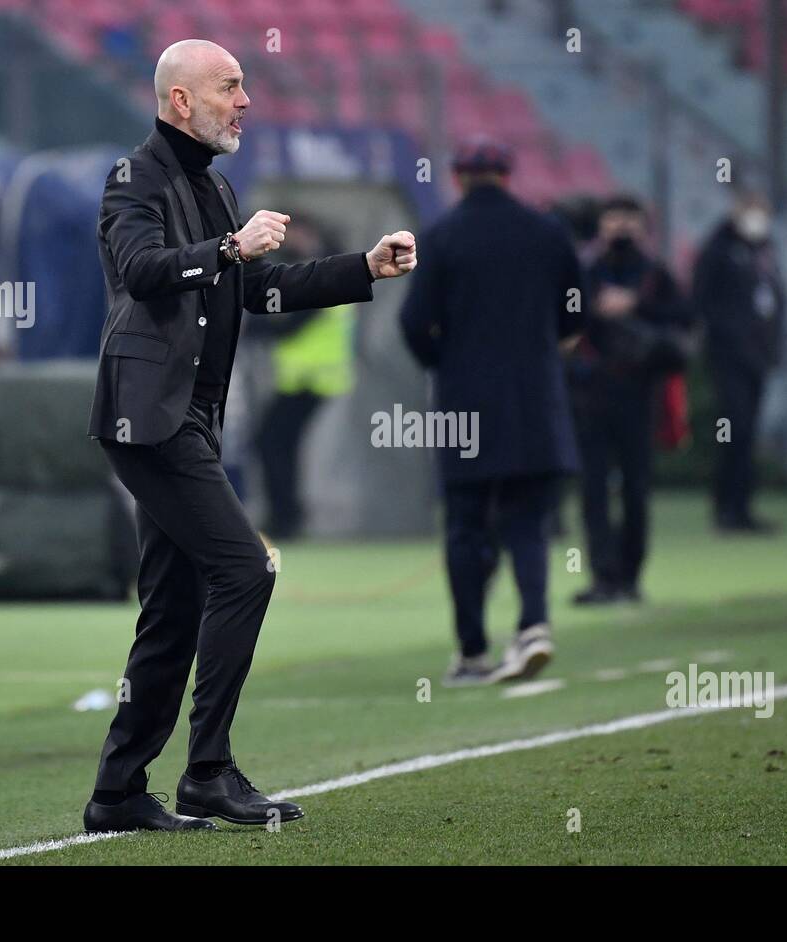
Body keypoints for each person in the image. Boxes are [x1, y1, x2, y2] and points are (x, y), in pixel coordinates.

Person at [84, 39, 416, 833]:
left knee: (173, 605)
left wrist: (361, 268)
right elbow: (142, 269)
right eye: (230, 86)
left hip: (183, 418)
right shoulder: (135, 178)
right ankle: (207, 771)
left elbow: (259, 292)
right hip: (147, 416)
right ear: (179, 103)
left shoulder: (216, 185)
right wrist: (229, 248)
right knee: (246, 568)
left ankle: (119, 793)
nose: (245, 100)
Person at [400, 137, 583, 686]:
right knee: (527, 521)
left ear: (457, 177)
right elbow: (575, 310)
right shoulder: (548, 232)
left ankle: (472, 650)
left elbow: (413, 323)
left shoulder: (442, 237)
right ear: (508, 174)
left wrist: (445, 362)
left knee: (464, 528)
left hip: (466, 404)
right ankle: (533, 626)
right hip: (535, 401)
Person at [567, 196, 692, 605]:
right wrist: (595, 310)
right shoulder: (584, 272)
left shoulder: (655, 276)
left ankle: (631, 576)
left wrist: (636, 304)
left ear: (643, 227)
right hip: (592, 393)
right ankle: (604, 576)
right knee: (594, 489)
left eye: (628, 221)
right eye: (613, 220)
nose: (620, 229)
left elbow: (685, 317)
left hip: (640, 394)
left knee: (637, 490)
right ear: (600, 226)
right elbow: (564, 320)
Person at [249, 218, 356, 539]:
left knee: (270, 442)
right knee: (280, 444)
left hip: (312, 378)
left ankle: (286, 518)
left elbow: (295, 324)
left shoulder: (325, 271)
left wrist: (255, 329)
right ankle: (287, 515)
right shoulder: (331, 266)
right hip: (309, 379)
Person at [691, 190, 786, 533]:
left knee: (747, 434)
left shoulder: (764, 250)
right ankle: (726, 507)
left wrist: (772, 346)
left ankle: (742, 507)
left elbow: (776, 298)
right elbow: (701, 301)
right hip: (728, 355)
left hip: (758, 357)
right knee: (734, 429)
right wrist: (728, 336)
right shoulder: (718, 250)